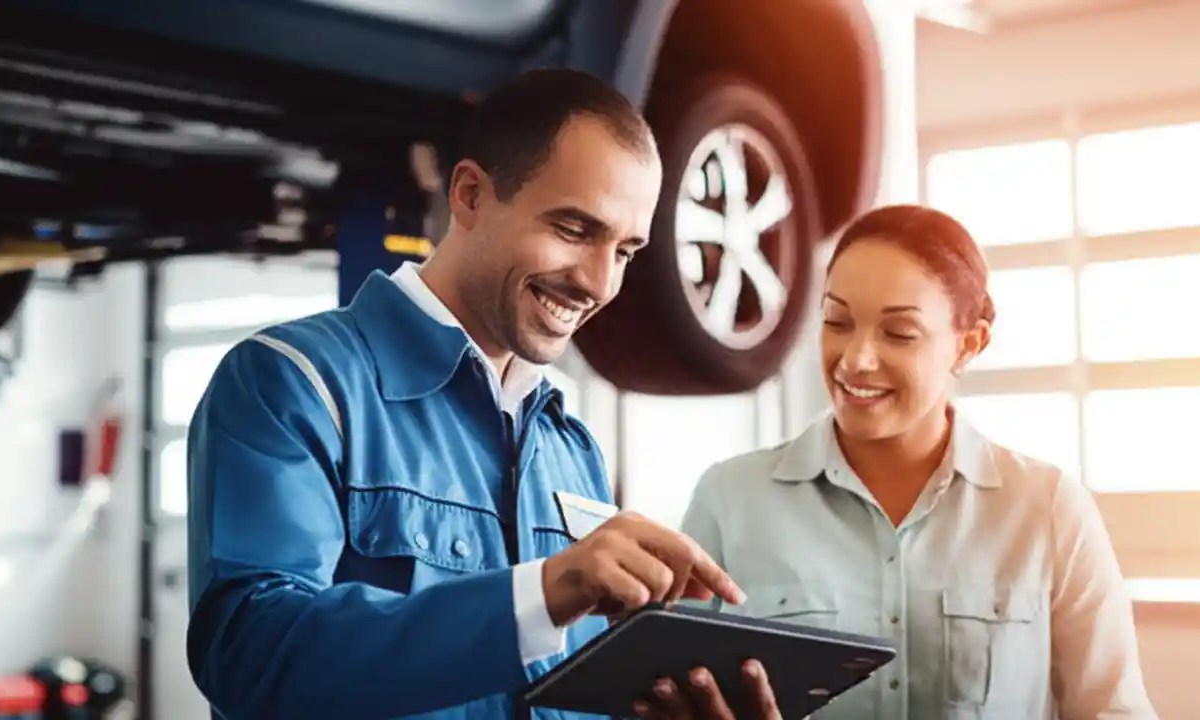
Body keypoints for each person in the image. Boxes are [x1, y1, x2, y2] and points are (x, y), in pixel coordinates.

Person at [185, 68, 782, 720]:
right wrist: (544, 593)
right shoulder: (294, 382)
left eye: (626, 251)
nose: (598, 282)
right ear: (469, 195)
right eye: (575, 230)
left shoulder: (565, 440)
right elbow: (250, 656)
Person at [680, 204, 1157, 719]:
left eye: (899, 334)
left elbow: (1115, 711)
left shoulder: (1049, 510)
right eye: (837, 322)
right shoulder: (729, 501)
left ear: (968, 344)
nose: (856, 360)